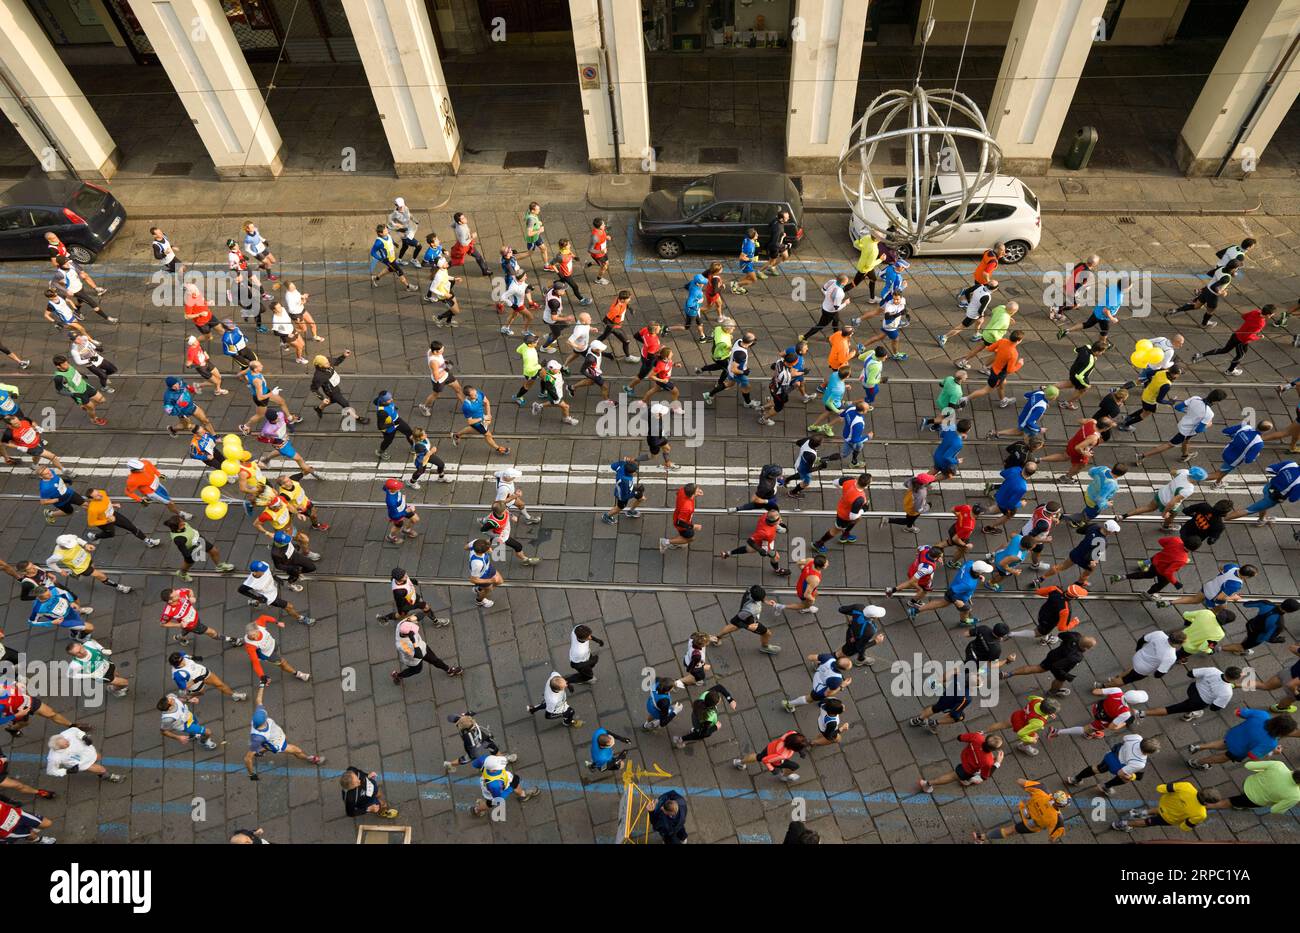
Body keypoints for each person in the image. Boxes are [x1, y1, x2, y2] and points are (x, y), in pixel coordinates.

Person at [244, 685, 325, 780]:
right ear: (263, 721)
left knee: (267, 745)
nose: (265, 712)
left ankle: (260, 751)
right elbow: (247, 758)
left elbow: (258, 700)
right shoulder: (258, 738)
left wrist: (262, 684)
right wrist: (251, 774)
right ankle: (311, 759)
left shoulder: (258, 715)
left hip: (277, 734)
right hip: (276, 744)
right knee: (296, 750)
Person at [1186, 708, 1296, 770]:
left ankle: (1199, 746)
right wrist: (1272, 753)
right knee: (1222, 757)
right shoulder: (1271, 743)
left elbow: (1238, 712)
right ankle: (1197, 762)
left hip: (1233, 735)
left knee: (1222, 743)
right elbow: (1253, 755)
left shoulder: (1262, 715)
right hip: (1238, 751)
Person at [1137, 389, 1226, 464]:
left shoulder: (1195, 398)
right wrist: (1208, 425)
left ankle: (1185, 455)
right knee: (1169, 444)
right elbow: (1199, 430)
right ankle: (1143, 455)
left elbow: (1178, 407)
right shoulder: (1209, 413)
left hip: (1183, 424)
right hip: (1187, 431)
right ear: (1216, 401)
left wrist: (1190, 412)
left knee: (1186, 441)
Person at [972, 779, 1069, 843]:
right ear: (1062, 806)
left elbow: (1019, 781)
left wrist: (1032, 793)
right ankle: (982, 837)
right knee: (1010, 830)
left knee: (1011, 828)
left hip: (1023, 810)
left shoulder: (1042, 791)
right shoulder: (1058, 820)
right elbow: (1052, 839)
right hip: (1029, 825)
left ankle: (981, 837)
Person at [1002, 632, 1098, 696]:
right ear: (1086, 648)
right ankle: (1053, 692)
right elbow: (1059, 666)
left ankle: (1009, 674)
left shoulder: (1075, 636)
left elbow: (1061, 635)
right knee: (1060, 680)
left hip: (1052, 656)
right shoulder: (1077, 656)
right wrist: (1066, 675)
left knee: (1037, 668)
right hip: (1059, 667)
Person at [1193, 304, 1276, 375]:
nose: (1272, 315)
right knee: (1240, 356)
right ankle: (1230, 371)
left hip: (1236, 335)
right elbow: (1249, 336)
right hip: (1242, 341)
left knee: (1224, 350)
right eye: (1272, 314)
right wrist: (1259, 337)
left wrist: (1248, 325)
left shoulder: (1255, 312)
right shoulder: (1261, 323)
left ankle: (1201, 355)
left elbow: (1243, 316)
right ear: (1268, 315)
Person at [1139, 665, 1242, 722]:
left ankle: (1189, 712)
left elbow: (1190, 673)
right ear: (1234, 680)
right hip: (1198, 702)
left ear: (1227, 670)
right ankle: (1143, 713)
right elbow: (1214, 708)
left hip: (1192, 689)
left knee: (1187, 705)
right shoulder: (1227, 692)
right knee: (1171, 709)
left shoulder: (1213, 670)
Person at [918, 731, 1003, 793]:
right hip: (967, 769)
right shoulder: (988, 761)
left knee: (967, 775)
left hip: (965, 757)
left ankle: (966, 780)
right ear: (994, 750)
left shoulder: (977, 737)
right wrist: (997, 763)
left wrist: (977, 734)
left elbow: (960, 737)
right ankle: (927, 784)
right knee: (951, 777)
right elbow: (985, 776)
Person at [713, 585, 782, 656]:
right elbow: (735, 620)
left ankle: (717, 638)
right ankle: (765, 647)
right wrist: (748, 626)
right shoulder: (751, 609)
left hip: (745, 614)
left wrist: (765, 601)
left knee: (734, 626)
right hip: (750, 622)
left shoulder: (751, 589)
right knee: (767, 633)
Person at [1211, 760, 1300, 814]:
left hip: (1247, 783)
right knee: (1229, 802)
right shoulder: (1295, 796)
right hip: (1253, 800)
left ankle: (1239, 802)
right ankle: (1207, 805)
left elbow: (1248, 765)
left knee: (1240, 797)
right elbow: (1275, 810)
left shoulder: (1279, 765)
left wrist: (1263, 771)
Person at [392, 616, 462, 684]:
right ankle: (398, 676)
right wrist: (414, 642)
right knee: (416, 670)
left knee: (435, 660)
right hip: (414, 660)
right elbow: (418, 655)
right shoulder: (402, 645)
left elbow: (420, 615)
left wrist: (416, 617)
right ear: (407, 635)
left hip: (423, 647)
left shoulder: (402, 624)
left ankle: (449, 670)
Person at [1105, 628, 1187, 687]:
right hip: (1143, 669)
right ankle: (1105, 685)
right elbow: (1158, 674)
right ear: (1179, 644)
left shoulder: (1159, 634)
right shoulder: (1171, 656)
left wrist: (1138, 650)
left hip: (1138, 656)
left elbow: (1142, 640)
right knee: (1126, 680)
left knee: (1132, 669)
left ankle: (1116, 677)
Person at [238, 562, 313, 625]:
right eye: (261, 571)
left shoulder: (265, 565)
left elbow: (271, 573)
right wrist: (257, 597)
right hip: (270, 597)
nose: (264, 571)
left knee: (261, 601)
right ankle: (300, 618)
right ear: (254, 572)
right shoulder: (250, 583)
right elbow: (241, 590)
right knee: (289, 606)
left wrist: (279, 580)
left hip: (274, 587)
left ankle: (255, 602)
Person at [164, 514, 235, 579]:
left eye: (182, 521)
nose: (184, 523)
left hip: (199, 541)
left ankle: (219, 566)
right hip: (192, 549)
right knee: (189, 564)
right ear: (177, 528)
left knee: (214, 551)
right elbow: (186, 554)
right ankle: (182, 573)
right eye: (181, 524)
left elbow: (190, 532)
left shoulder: (183, 525)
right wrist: (197, 546)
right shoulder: (179, 539)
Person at [1222, 598, 1300, 657]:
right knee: (1242, 646)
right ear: (1290, 612)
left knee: (1249, 637)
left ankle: (1244, 644)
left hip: (1250, 624)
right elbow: (1268, 638)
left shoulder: (1266, 603)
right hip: (1257, 636)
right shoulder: (1279, 624)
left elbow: (1246, 604)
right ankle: (1223, 649)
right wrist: (1279, 640)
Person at [44, 727, 124, 784]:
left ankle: (96, 770)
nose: (68, 742)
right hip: (81, 763)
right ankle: (108, 776)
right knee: (101, 769)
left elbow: (76, 731)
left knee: (98, 757)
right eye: (65, 744)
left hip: (88, 752)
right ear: (59, 748)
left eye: (66, 740)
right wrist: (66, 771)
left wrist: (84, 737)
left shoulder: (67, 734)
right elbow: (51, 771)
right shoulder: (54, 758)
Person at [472, 753, 541, 816]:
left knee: (514, 782)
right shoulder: (495, 785)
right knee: (490, 803)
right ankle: (478, 809)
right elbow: (498, 799)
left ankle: (522, 794)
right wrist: (511, 786)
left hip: (497, 779)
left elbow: (474, 764)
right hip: (495, 789)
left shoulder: (484, 760)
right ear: (493, 770)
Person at [443, 712, 514, 772]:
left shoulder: (463, 720)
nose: (473, 722)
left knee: (492, 746)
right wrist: (475, 757)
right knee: (468, 758)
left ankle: (503, 759)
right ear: (467, 728)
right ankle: (450, 764)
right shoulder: (468, 736)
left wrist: (469, 713)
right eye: (472, 724)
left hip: (481, 738)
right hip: (475, 745)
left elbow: (452, 717)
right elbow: (473, 747)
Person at [1206, 417, 1268, 484]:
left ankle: (1218, 483)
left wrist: (1237, 438)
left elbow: (1226, 432)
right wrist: (1255, 456)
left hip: (1227, 451)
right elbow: (1248, 460)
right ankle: (1194, 479)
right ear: (1266, 431)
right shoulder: (1259, 443)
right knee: (1218, 474)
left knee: (1225, 471)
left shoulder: (1246, 427)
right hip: (1233, 460)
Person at [781, 653, 852, 712]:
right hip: (819, 689)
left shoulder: (828, 657)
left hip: (817, 677)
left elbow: (810, 657)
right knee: (808, 699)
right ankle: (789, 704)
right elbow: (827, 693)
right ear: (843, 670)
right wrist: (842, 686)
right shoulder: (837, 680)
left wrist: (820, 663)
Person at [451, 385, 509, 455]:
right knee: (487, 434)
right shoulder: (467, 406)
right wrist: (483, 418)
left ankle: (456, 435)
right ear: (468, 396)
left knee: (475, 429)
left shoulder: (479, 394)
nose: (476, 396)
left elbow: (486, 402)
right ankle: (498, 448)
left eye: (475, 393)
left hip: (483, 418)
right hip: (477, 422)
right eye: (474, 395)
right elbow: (470, 421)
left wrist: (488, 414)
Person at [732, 730, 809, 783]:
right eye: (800, 748)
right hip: (776, 761)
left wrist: (800, 750)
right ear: (794, 748)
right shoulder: (782, 755)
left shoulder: (792, 733)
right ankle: (785, 776)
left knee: (758, 756)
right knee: (795, 766)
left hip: (770, 748)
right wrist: (772, 769)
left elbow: (794, 740)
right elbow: (766, 760)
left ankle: (740, 762)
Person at [51, 355, 107, 425]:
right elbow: (59, 391)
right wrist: (73, 394)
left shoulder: (68, 366)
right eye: (64, 364)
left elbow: (74, 371)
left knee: (102, 400)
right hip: (79, 394)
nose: (67, 365)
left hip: (86, 386)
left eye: (67, 362)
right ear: (58, 366)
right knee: (91, 408)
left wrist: (81, 374)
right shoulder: (59, 377)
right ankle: (94, 419)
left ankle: (85, 406)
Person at [158, 693, 224, 750]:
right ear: (169, 708)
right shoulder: (168, 719)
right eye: (171, 701)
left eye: (170, 698)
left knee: (196, 726)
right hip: (186, 725)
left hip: (190, 716)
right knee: (208, 732)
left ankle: (193, 736)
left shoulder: (170, 696)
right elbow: (163, 731)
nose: (172, 698)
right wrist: (178, 738)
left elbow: (178, 699)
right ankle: (203, 741)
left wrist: (189, 700)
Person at [369, 224, 418, 290]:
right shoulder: (378, 242)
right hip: (388, 260)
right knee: (399, 272)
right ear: (380, 233)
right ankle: (408, 286)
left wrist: (394, 243)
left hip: (393, 257)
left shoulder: (388, 235)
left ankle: (375, 278)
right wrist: (380, 259)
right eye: (385, 230)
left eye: (386, 229)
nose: (387, 230)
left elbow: (390, 239)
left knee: (390, 269)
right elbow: (372, 252)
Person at [602, 457, 646, 525]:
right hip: (622, 495)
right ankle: (606, 516)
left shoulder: (621, 467)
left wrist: (623, 462)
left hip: (626, 489)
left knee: (641, 498)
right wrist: (637, 491)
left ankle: (631, 511)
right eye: (635, 471)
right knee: (619, 507)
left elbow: (613, 466)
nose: (635, 472)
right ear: (630, 472)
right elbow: (627, 495)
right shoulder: (626, 481)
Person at [467, 538, 502, 609]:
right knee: (488, 589)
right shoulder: (477, 564)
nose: (490, 548)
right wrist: (490, 580)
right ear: (484, 551)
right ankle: (479, 601)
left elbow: (465, 547)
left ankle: (479, 589)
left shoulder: (475, 542)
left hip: (487, 567)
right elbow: (473, 580)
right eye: (488, 548)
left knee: (500, 581)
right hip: (482, 576)